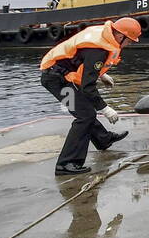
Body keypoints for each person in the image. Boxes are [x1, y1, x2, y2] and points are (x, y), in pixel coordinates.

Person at [39, 17, 140, 174]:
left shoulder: (103, 34)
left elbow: (81, 59)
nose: (130, 44)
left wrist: (100, 75)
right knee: (84, 116)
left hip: (59, 74)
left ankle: (103, 139)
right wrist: (105, 108)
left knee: (86, 112)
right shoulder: (98, 50)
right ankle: (66, 164)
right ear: (120, 36)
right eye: (130, 41)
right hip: (56, 79)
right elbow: (88, 87)